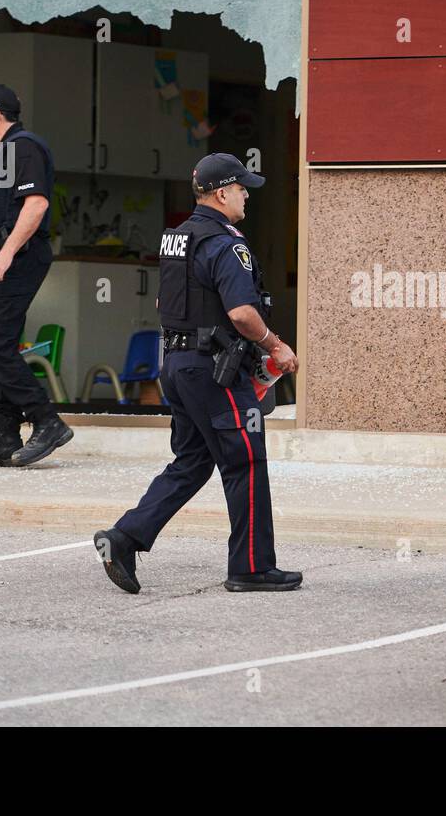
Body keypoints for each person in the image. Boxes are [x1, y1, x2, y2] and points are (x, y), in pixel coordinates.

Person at [95, 152, 300, 593]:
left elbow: (161, 306)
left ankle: (124, 538)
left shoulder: (178, 239)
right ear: (223, 192)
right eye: (243, 188)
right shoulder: (227, 244)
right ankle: (251, 568)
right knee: (245, 460)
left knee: (191, 461)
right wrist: (276, 346)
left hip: (178, 366)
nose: (247, 195)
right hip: (215, 371)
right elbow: (243, 313)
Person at [0, 84, 74, 468]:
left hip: (22, 255)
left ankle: (47, 422)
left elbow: (36, 204)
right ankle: (5, 434)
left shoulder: (24, 147)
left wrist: (6, 255)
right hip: (4, 256)